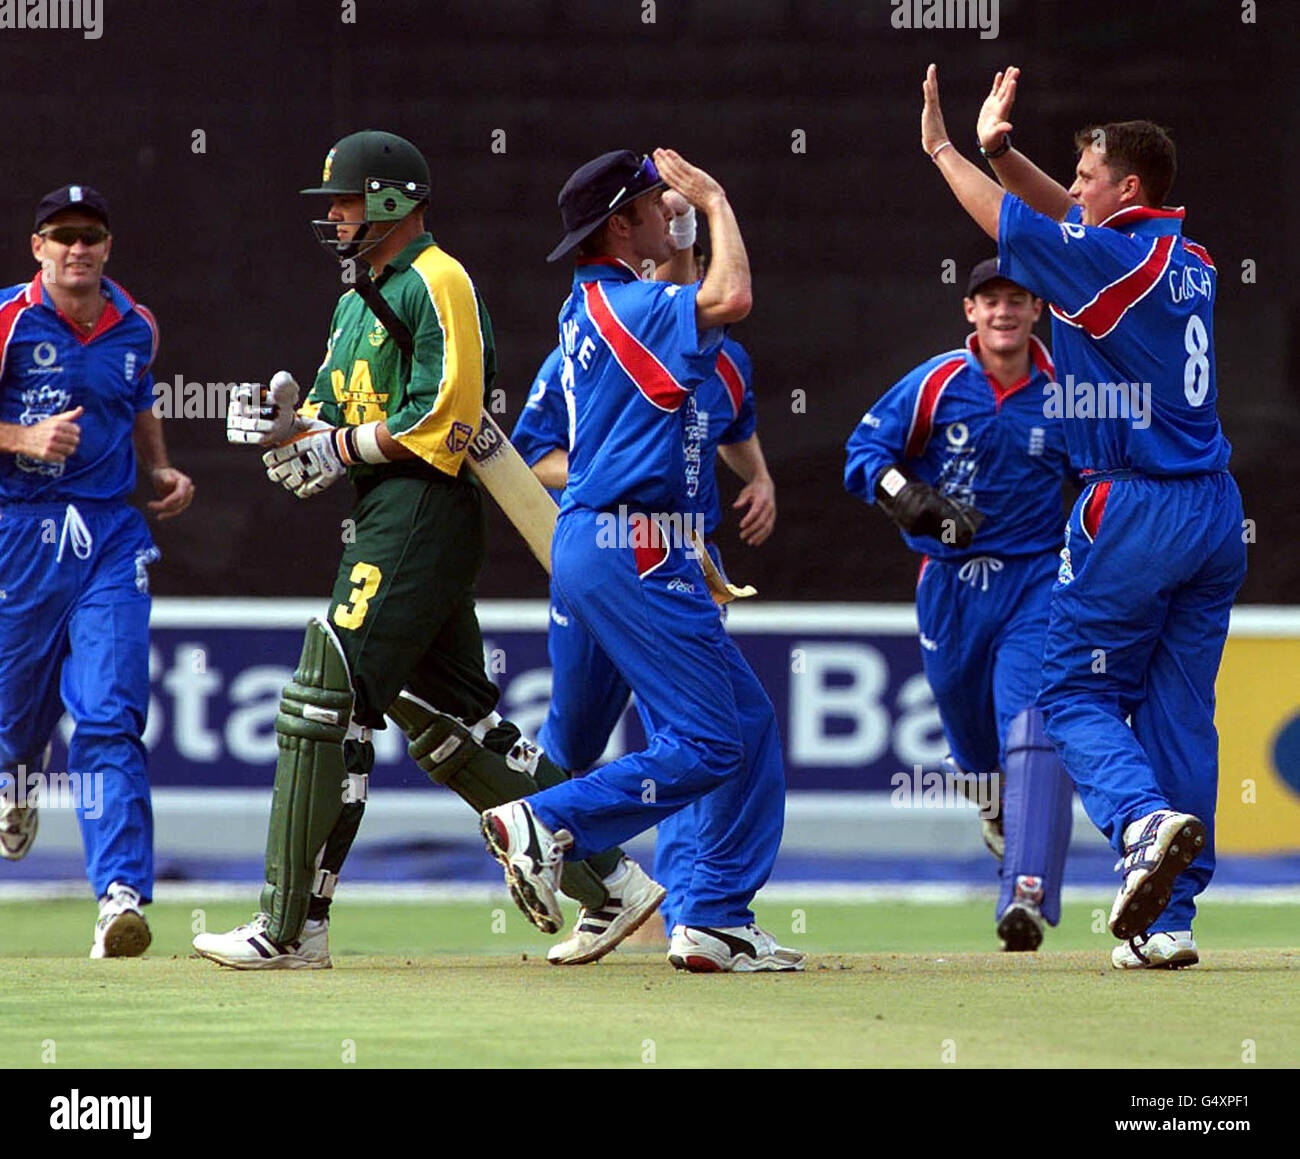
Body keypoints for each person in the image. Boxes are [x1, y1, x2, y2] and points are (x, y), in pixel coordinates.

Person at [193, 131, 659, 971]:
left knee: (321, 695)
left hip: (425, 511)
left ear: (389, 201)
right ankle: (614, 880)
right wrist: (282, 430)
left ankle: (288, 928)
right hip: (388, 511)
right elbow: (334, 415)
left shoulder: (438, 281)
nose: (333, 216)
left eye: (343, 201)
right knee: (453, 725)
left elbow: (448, 420)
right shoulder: (355, 300)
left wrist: (338, 449)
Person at [920, 66, 1247, 968]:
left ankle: (1141, 823)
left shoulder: (1103, 261)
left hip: (1134, 504)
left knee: (1064, 691)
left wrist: (948, 149)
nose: (1078, 185)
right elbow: (1062, 210)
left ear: (1126, 189)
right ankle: (1168, 921)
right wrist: (1005, 151)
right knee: (1180, 712)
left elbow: (1008, 222)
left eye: (1090, 173)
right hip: (1214, 509)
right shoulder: (1189, 258)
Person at [480, 147, 801, 973]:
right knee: (705, 741)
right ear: (619, 224)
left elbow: (689, 319)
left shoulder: (602, 304)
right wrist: (719, 199)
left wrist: (683, 239)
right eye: (658, 203)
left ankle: (715, 918)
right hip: (631, 541)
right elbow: (731, 298)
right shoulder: (625, 306)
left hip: (621, 542)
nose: (672, 210)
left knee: (748, 727)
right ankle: (548, 822)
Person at [845, 259, 1075, 950]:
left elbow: (1103, 476)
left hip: (1034, 579)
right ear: (970, 311)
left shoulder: (1068, 390)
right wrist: (907, 498)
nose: (1003, 312)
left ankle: (1026, 893)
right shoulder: (937, 381)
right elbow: (865, 452)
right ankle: (998, 813)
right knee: (972, 742)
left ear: (1039, 310)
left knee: (1030, 724)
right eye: (990, 301)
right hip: (948, 586)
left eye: (1017, 300)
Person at [0, 183, 194, 957]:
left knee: (111, 712)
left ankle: (119, 896)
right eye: (61, 235)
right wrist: (22, 438)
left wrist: (161, 470)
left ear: (108, 246)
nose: (77, 248)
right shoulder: (9, 319)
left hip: (112, 535)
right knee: (14, 720)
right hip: (21, 534)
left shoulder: (135, 324)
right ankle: (16, 774)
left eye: (91, 235)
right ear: (38, 247)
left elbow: (138, 398)